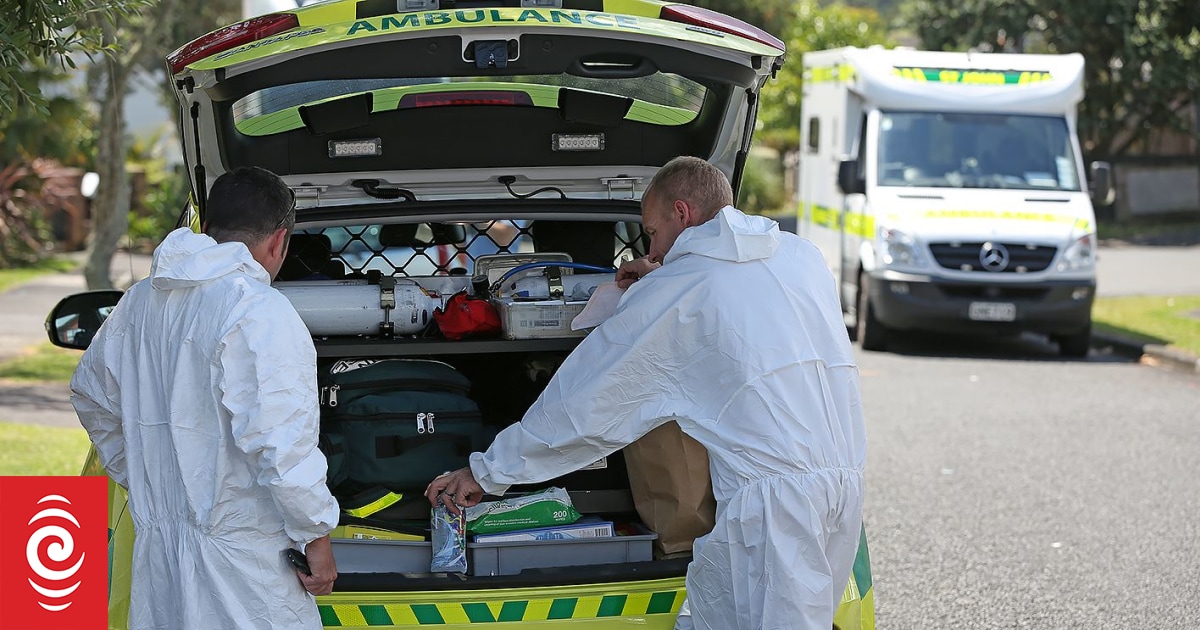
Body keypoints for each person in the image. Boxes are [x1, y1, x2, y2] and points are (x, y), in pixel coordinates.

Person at [425, 156, 867, 629]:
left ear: (683, 213)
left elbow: (583, 407)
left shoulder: (678, 292)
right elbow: (743, 312)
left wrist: (487, 472)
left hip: (772, 512)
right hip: (845, 487)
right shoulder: (800, 256)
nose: (650, 248)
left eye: (652, 233)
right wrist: (660, 276)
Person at [71, 166, 339, 629]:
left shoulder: (139, 301)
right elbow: (281, 444)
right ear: (279, 241)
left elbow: (91, 394)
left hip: (161, 563)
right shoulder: (259, 310)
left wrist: (148, 477)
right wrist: (316, 538)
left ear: (209, 228)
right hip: (244, 566)